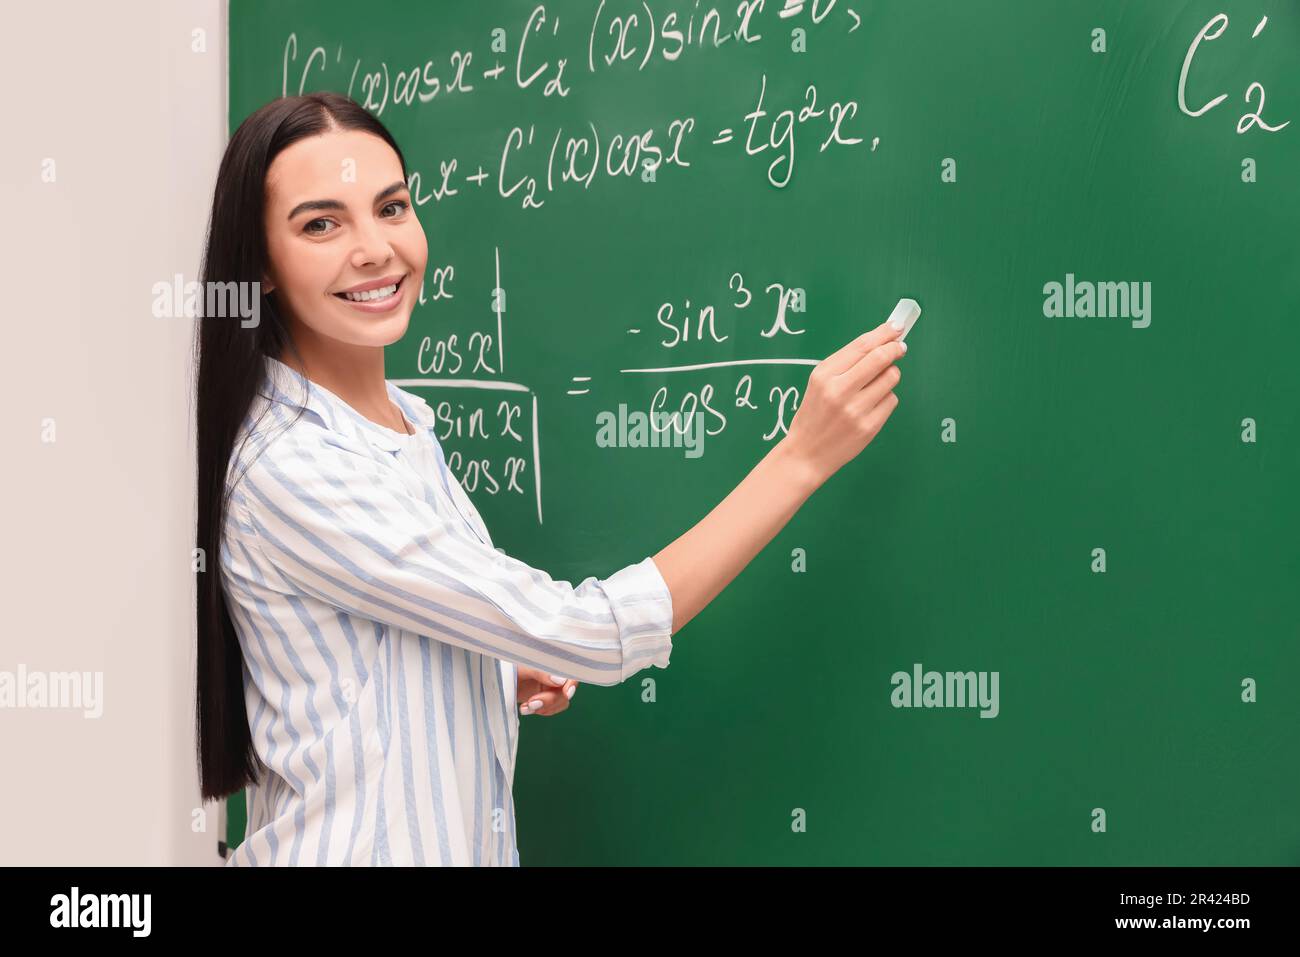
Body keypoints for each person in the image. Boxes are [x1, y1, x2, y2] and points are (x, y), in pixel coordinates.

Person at [194, 92, 907, 866]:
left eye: (391, 207)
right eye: (321, 223)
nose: (374, 249)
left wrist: (491, 665)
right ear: (260, 264)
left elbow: (362, 655)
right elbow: (592, 633)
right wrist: (801, 457)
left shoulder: (402, 423)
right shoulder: (297, 466)